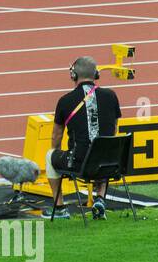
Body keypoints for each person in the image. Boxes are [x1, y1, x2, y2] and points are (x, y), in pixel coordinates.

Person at [48, 56, 123, 219]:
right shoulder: (111, 96)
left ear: (73, 75)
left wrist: (57, 152)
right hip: (109, 164)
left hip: (79, 164)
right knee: (103, 150)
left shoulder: (65, 101)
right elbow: (114, 128)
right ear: (96, 74)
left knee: (49, 156)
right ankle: (100, 199)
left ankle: (59, 208)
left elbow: (56, 135)